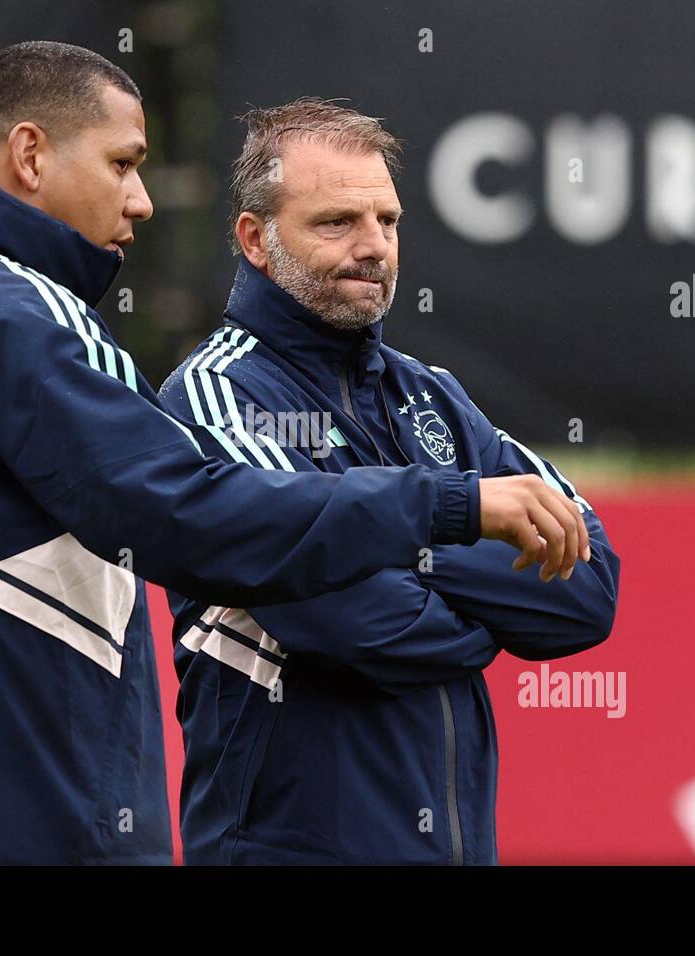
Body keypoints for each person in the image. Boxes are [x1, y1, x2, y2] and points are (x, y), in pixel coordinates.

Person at [0, 46, 585, 864]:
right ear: (30, 155)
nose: (140, 201)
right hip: (40, 830)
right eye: (123, 164)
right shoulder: (16, 311)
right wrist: (445, 505)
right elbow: (193, 516)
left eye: (387, 220)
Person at [159, 98, 620, 864]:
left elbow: (586, 589)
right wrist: (487, 603)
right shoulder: (215, 397)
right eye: (337, 222)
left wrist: (403, 556)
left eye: (389, 221)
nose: (374, 247)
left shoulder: (432, 394)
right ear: (255, 240)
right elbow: (356, 622)